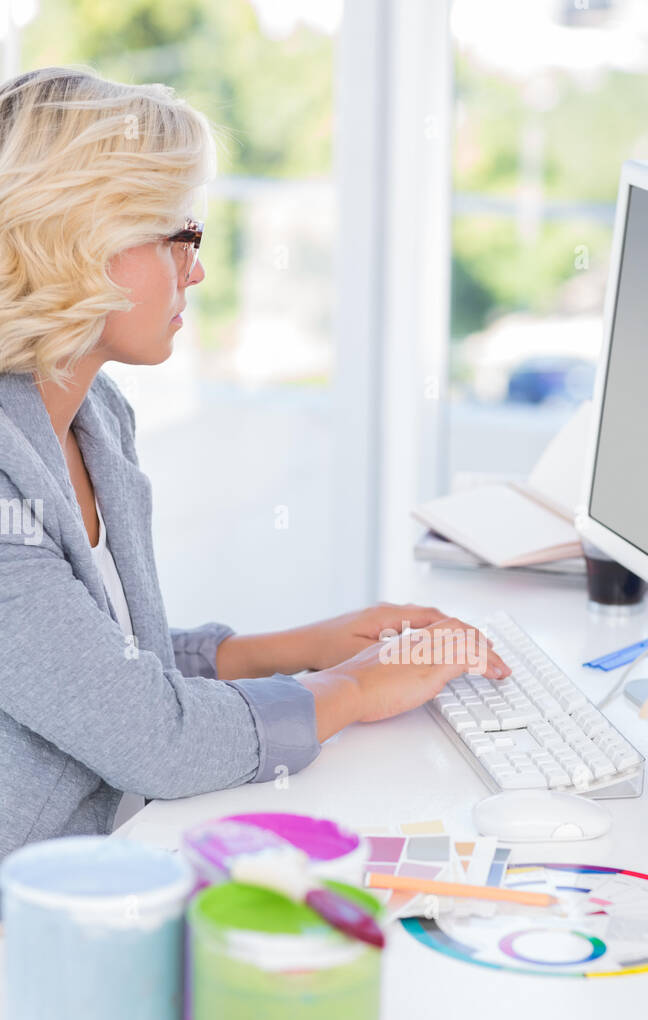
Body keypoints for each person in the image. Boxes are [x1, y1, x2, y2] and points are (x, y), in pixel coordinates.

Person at [0, 67, 508, 859]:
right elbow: (151, 739)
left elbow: (109, 663)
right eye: (178, 237)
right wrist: (358, 689)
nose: (195, 269)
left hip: (108, 858)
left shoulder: (96, 417)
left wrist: (306, 646)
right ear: (79, 240)